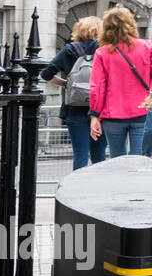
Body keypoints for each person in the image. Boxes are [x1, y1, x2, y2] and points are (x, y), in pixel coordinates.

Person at [88, 6, 152, 158]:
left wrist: (95, 116)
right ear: (130, 24)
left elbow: (97, 87)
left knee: (117, 160)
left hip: (113, 114)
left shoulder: (102, 52)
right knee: (139, 160)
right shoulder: (148, 47)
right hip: (143, 111)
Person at [40, 16, 107, 170]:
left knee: (80, 155)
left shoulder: (68, 50)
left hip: (74, 109)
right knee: (100, 155)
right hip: (101, 110)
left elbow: (46, 74)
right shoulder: (105, 51)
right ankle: (101, 190)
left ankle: (76, 191)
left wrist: (65, 84)